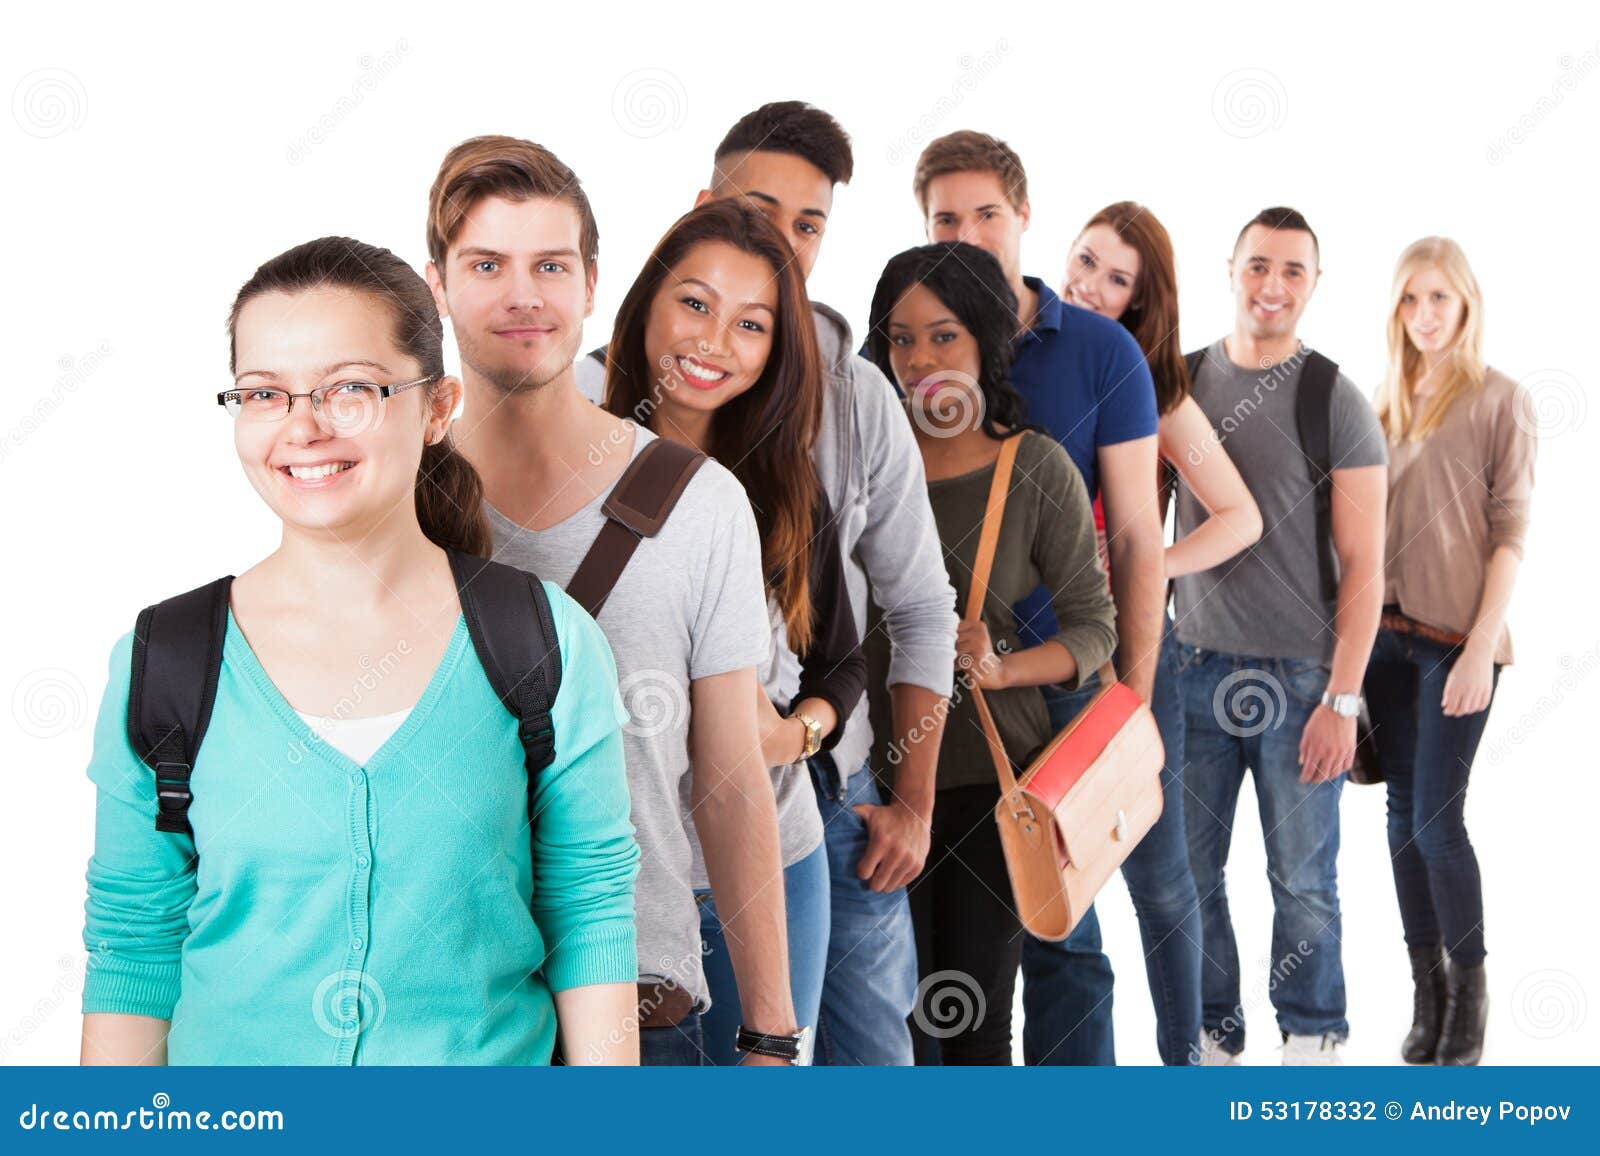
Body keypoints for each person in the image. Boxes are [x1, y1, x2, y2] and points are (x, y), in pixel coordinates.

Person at [80, 236, 640, 1065]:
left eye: (350, 388)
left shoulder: (543, 642)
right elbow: (135, 948)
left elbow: (588, 913)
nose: (302, 426)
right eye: (265, 393)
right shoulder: (166, 661)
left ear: (439, 406)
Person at [577, 102, 957, 1065]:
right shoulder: (567, 415)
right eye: (699, 304)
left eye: (809, 224)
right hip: (616, 849)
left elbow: (881, 627)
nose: (784, 246)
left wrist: (810, 742)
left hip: (803, 815)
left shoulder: (795, 454)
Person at [423, 136, 802, 1065]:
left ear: (593, 284)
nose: (523, 294)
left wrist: (771, 1033)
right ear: (436, 284)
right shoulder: (390, 491)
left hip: (637, 996)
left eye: (550, 264)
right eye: (487, 264)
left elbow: (728, 779)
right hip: (433, 1003)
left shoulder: (705, 504)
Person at [912, 129, 1164, 1065]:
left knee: (1066, 932)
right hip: (939, 701)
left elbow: (1139, 535)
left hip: (1066, 682)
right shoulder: (914, 341)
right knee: (956, 953)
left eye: (987, 213)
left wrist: (1128, 700)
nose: (968, 233)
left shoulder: (1100, 352)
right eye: (947, 217)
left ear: (1024, 217)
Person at [600, 197, 867, 1064]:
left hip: (772, 866)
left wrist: (793, 735)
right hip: (621, 888)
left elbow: (846, 659)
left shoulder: (784, 485)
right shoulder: (567, 461)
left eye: (750, 325)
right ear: (646, 305)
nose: (714, 343)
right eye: (695, 304)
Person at [866, 241, 1117, 1064]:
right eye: (900, 339)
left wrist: (1005, 664)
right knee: (886, 1030)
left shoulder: (1034, 467)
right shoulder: (864, 462)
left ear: (984, 338)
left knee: (970, 1025)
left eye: (943, 336)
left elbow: (1093, 626)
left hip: (988, 781)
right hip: (869, 783)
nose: (918, 360)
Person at [1174, 207, 1388, 1065]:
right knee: (1188, 877)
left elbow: (1365, 563)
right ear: (1230, 268)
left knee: (1301, 882)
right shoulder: (1178, 381)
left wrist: (1342, 697)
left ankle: (1311, 1035)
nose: (1273, 285)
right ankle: (1214, 1034)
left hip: (1301, 683)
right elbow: (1135, 529)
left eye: (1293, 271)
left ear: (1314, 284)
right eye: (1259, 265)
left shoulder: (1332, 395)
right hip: (1189, 669)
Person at [1059, 201, 1263, 1064]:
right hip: (1038, 658)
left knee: (1160, 873)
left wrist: (1146, 567)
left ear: (1143, 302)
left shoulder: (1150, 383)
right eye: (1087, 262)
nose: (1093, 288)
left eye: (1119, 280)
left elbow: (1240, 516)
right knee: (1057, 876)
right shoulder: (1031, 359)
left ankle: (1187, 1065)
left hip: (1139, 656)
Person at [1366, 237, 1536, 1066]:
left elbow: (1510, 536)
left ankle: (1470, 995)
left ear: (1465, 302)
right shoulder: (1385, 400)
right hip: (1385, 642)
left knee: (1437, 823)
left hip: (1455, 645)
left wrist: (1479, 649)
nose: (1425, 315)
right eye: (1410, 299)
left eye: (1440, 298)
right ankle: (1426, 992)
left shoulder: (1500, 399)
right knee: (1400, 825)